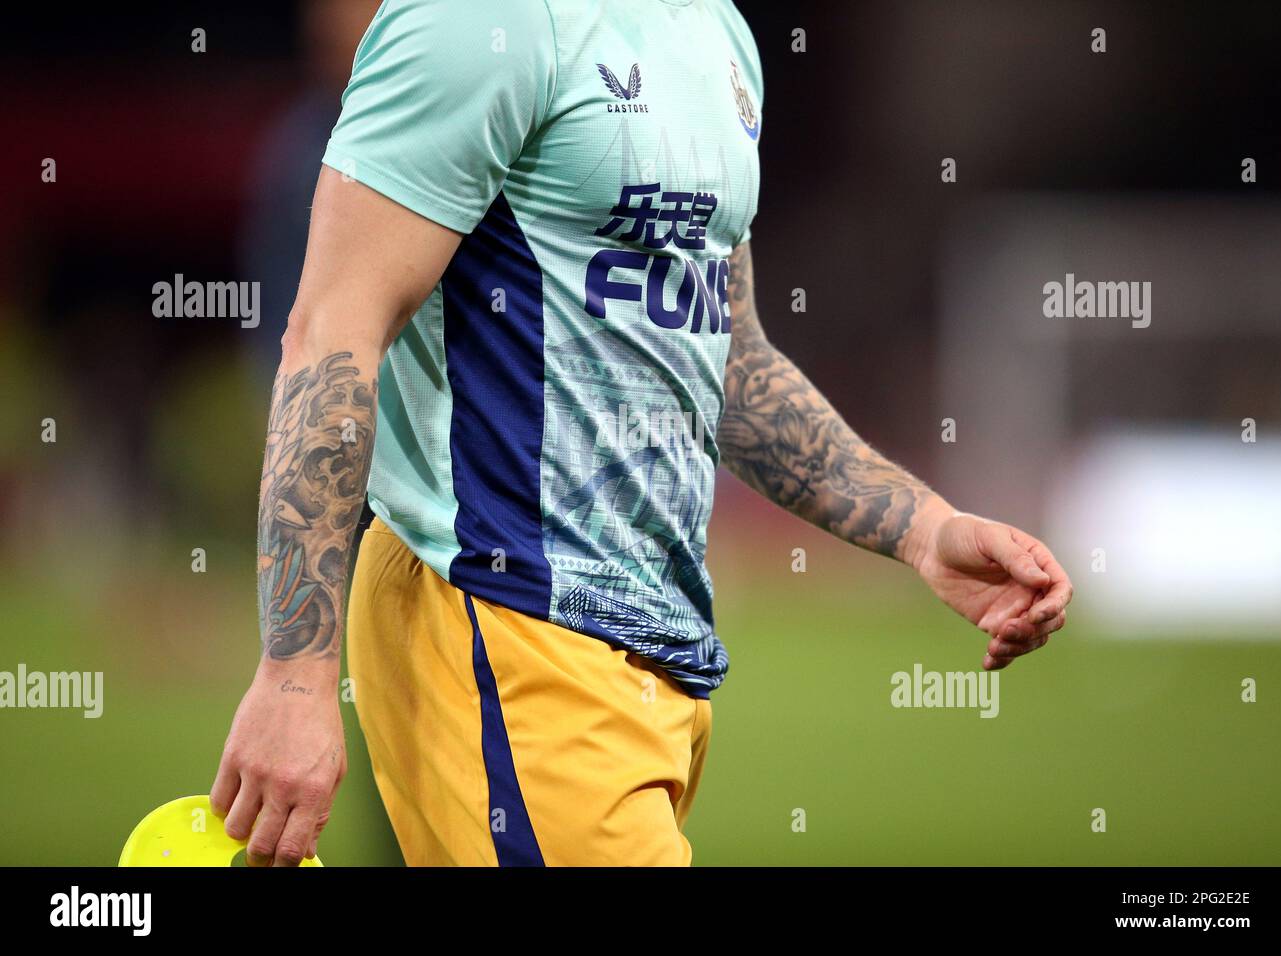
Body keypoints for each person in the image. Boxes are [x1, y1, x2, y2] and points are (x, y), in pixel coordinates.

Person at [211, 0, 1073, 867]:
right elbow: (331, 333)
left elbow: (732, 366)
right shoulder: (477, 22)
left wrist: (925, 531)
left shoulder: (717, 30)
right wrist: (295, 679)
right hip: (505, 620)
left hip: (662, 658)